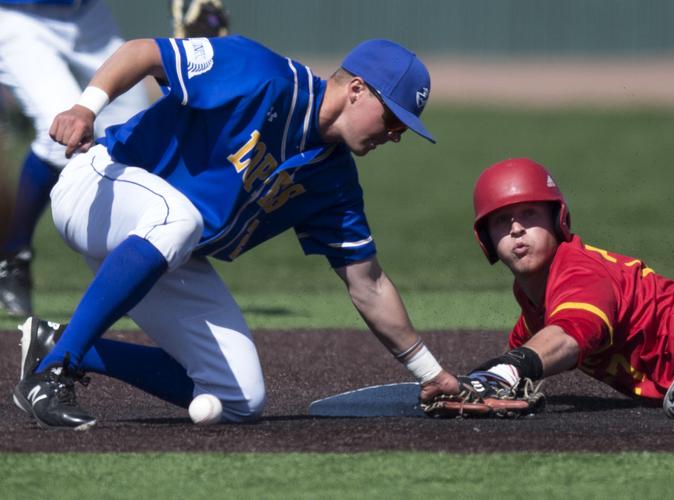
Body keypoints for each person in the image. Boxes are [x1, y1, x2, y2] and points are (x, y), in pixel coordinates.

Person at [13, 35, 458, 430]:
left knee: (240, 398)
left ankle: (60, 343)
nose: (396, 135)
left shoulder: (334, 182)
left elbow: (369, 284)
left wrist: (431, 374)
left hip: (165, 251)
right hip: (100, 185)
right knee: (180, 218)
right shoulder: (262, 74)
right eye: (394, 119)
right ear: (357, 90)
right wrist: (85, 107)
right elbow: (143, 53)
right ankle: (53, 374)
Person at [424, 158, 674, 418]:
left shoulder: (579, 270)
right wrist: (479, 384)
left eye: (529, 214)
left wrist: (505, 370)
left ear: (559, 220)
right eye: (501, 221)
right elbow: (526, 356)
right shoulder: (533, 304)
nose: (516, 229)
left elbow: (570, 335)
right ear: (486, 240)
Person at [0, 0, 151, 316]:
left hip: (88, 16)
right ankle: (11, 255)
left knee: (140, 130)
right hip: (17, 15)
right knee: (60, 133)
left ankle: (143, 263)